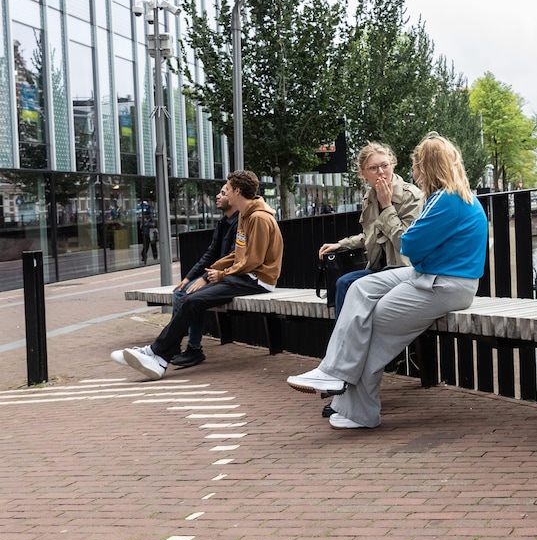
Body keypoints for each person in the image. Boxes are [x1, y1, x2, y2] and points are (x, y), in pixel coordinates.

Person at [286, 133, 487, 430]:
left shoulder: (445, 200)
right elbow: (408, 243)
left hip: (444, 283)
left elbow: (411, 246)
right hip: (430, 274)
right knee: (359, 287)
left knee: (374, 320)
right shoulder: (447, 197)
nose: (414, 173)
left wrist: (392, 212)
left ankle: (361, 411)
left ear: (429, 167)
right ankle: (332, 372)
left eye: (417, 166)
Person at [113, 170, 284, 381]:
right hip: (242, 277)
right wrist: (210, 272)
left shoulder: (258, 218)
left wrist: (221, 274)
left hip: (257, 280)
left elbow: (253, 261)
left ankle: (156, 354)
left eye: (227, 189)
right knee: (188, 299)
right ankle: (158, 356)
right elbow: (237, 254)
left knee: (193, 301)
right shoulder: (244, 215)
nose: (223, 193)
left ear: (237, 191)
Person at [317, 142, 422, 316]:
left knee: (350, 286)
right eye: (373, 168)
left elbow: (405, 243)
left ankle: (349, 342)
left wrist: (387, 206)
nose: (381, 172)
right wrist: (342, 245)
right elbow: (370, 236)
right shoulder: (370, 198)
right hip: (379, 269)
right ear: (363, 174)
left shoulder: (411, 196)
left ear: (392, 165)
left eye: (385, 166)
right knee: (343, 284)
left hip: (404, 269)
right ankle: (349, 341)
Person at [168, 187, 239, 368]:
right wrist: (190, 276)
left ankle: (192, 348)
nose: (217, 196)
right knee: (181, 291)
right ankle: (174, 346)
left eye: (223, 193)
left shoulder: (240, 223)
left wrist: (205, 278)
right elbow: (210, 254)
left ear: (235, 196)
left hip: (233, 278)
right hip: (218, 274)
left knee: (192, 295)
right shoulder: (223, 222)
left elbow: (233, 257)